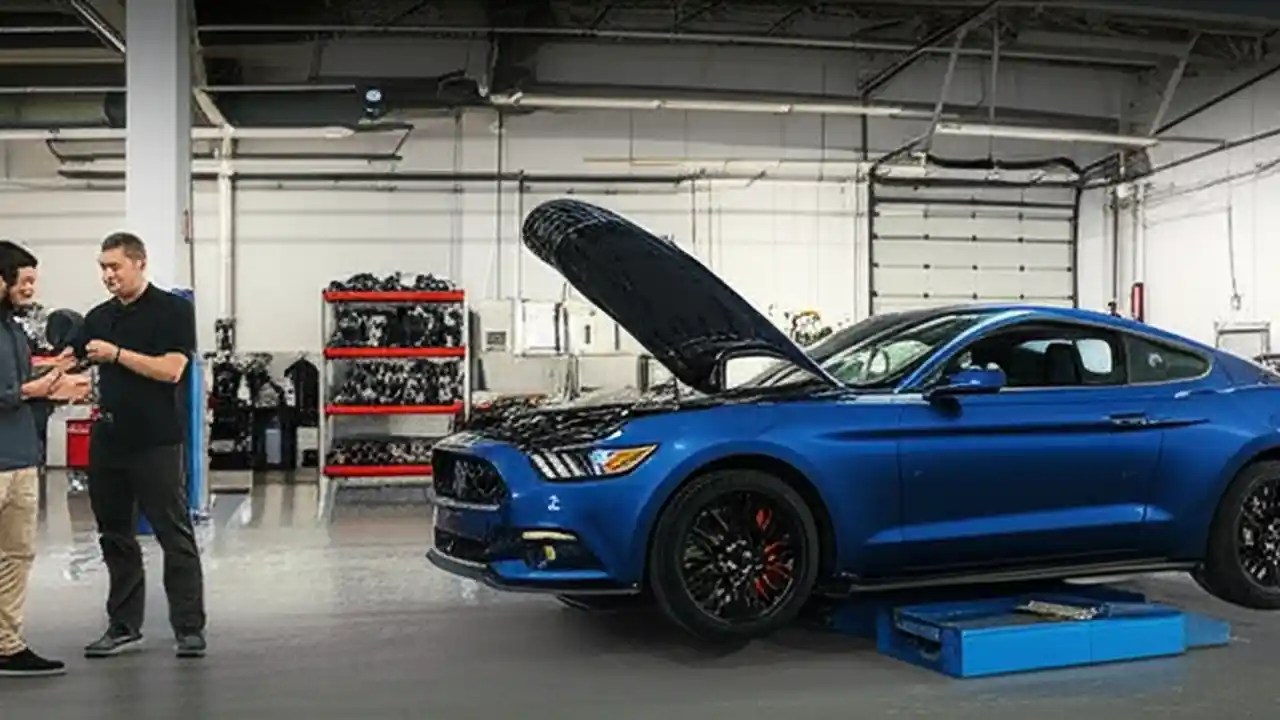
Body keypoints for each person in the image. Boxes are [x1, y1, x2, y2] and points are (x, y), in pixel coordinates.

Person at [81, 231, 206, 659]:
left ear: (139, 263)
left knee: (174, 532)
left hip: (155, 440)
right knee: (114, 535)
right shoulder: (97, 317)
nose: (107, 275)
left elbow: (172, 370)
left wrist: (117, 354)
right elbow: (76, 363)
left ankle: (189, 628)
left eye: (114, 266)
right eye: (102, 267)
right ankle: (123, 626)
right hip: (109, 439)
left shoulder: (173, 311)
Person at [0, 241, 71, 677]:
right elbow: (15, 392)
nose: (30, 288)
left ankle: (7, 643)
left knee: (16, 555)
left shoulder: (15, 332)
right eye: (23, 280)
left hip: (22, 459)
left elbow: (23, 391)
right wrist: (30, 391)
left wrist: (55, 384)